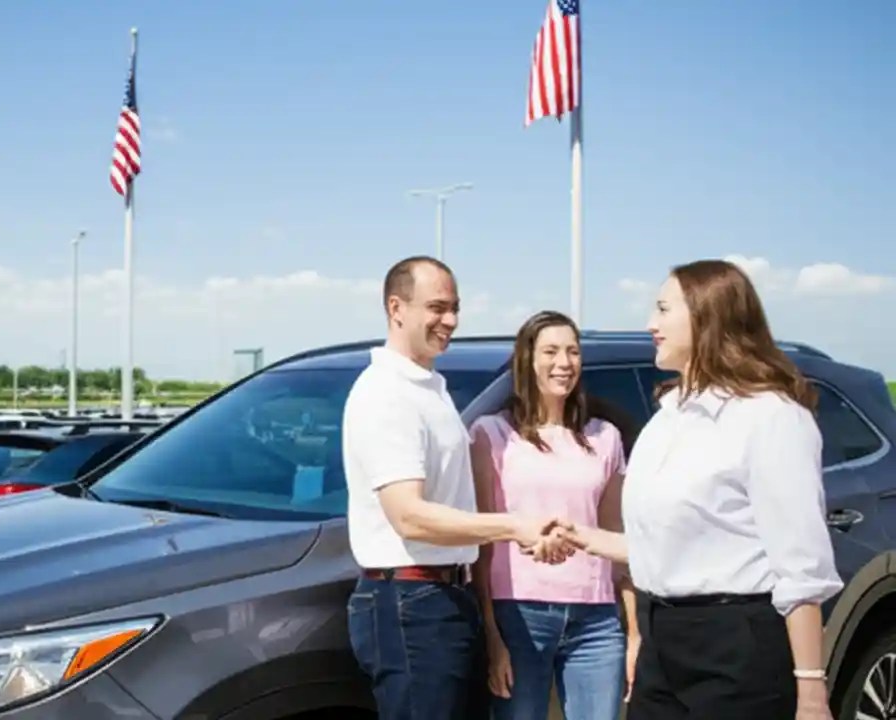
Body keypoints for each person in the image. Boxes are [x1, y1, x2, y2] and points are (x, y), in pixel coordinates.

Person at [552, 259, 843, 719]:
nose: (650, 324)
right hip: (661, 642)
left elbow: (800, 565)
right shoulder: (669, 418)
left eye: (663, 309)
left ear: (709, 316)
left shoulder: (772, 417)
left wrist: (810, 694)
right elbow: (668, 545)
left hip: (736, 649)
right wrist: (582, 537)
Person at [342, 256, 576, 720]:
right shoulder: (386, 394)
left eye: (454, 308)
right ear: (396, 308)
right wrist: (513, 526)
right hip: (411, 603)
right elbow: (408, 516)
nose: (449, 320)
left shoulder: (427, 388)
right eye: (436, 307)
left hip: (442, 597)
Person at [467, 310, 638, 720]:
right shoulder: (491, 433)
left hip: (596, 620)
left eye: (573, 351)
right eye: (551, 351)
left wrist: (633, 630)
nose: (564, 362)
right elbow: (482, 547)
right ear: (527, 359)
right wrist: (492, 636)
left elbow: (616, 537)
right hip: (518, 616)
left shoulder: (605, 437)